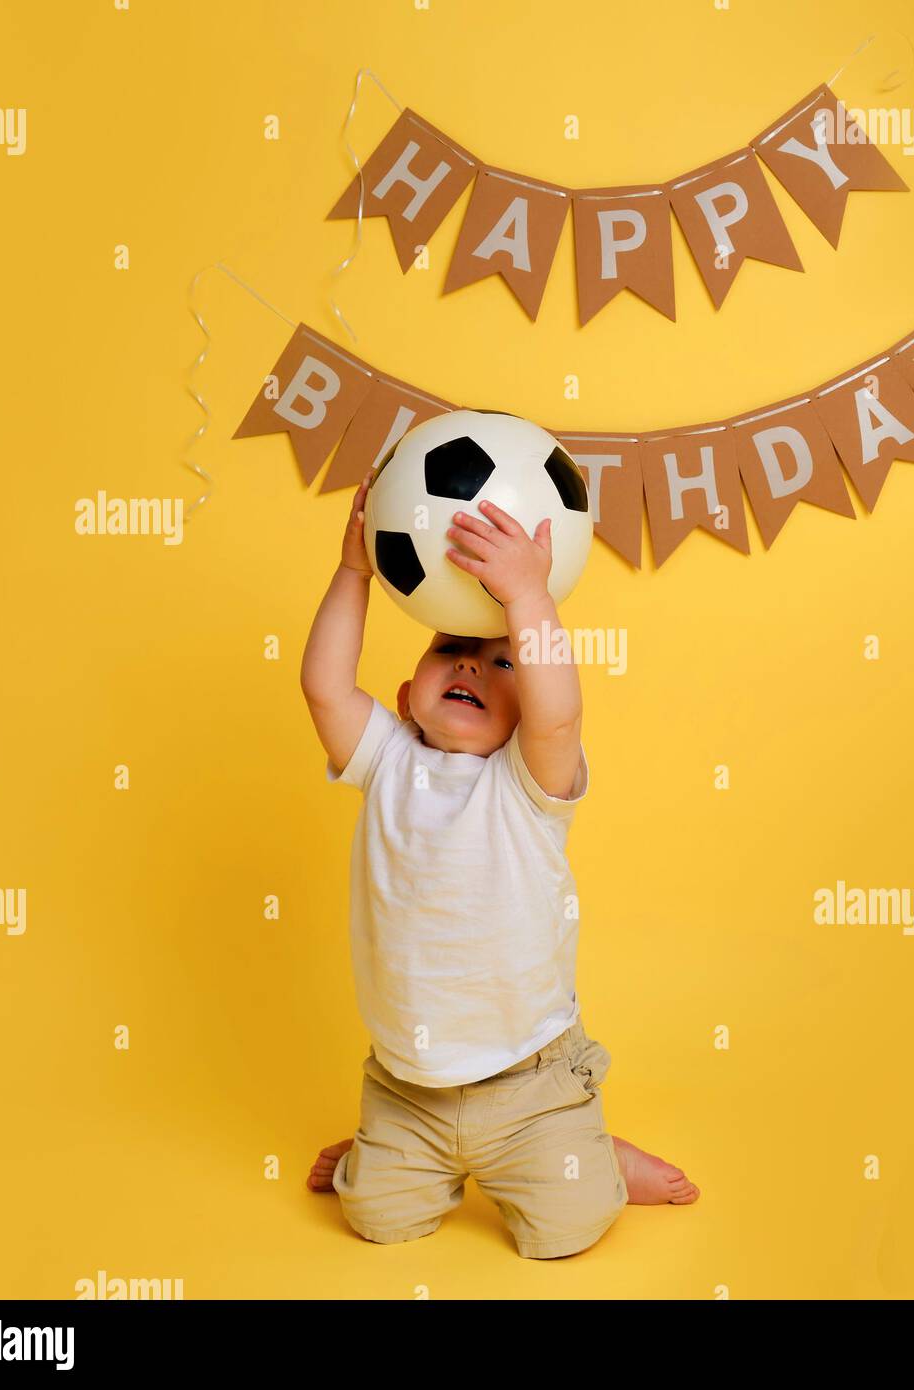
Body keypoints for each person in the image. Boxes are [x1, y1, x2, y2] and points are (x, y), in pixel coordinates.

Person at [300, 470, 698, 1258]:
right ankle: (380, 1153)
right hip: (406, 1083)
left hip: (530, 1085)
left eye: (502, 662)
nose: (474, 667)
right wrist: (353, 571)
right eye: (452, 650)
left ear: (526, 723)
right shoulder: (385, 760)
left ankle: (595, 1154)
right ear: (409, 693)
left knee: (568, 1230)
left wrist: (528, 601)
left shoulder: (528, 781)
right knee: (374, 1220)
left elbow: (561, 710)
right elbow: (322, 685)